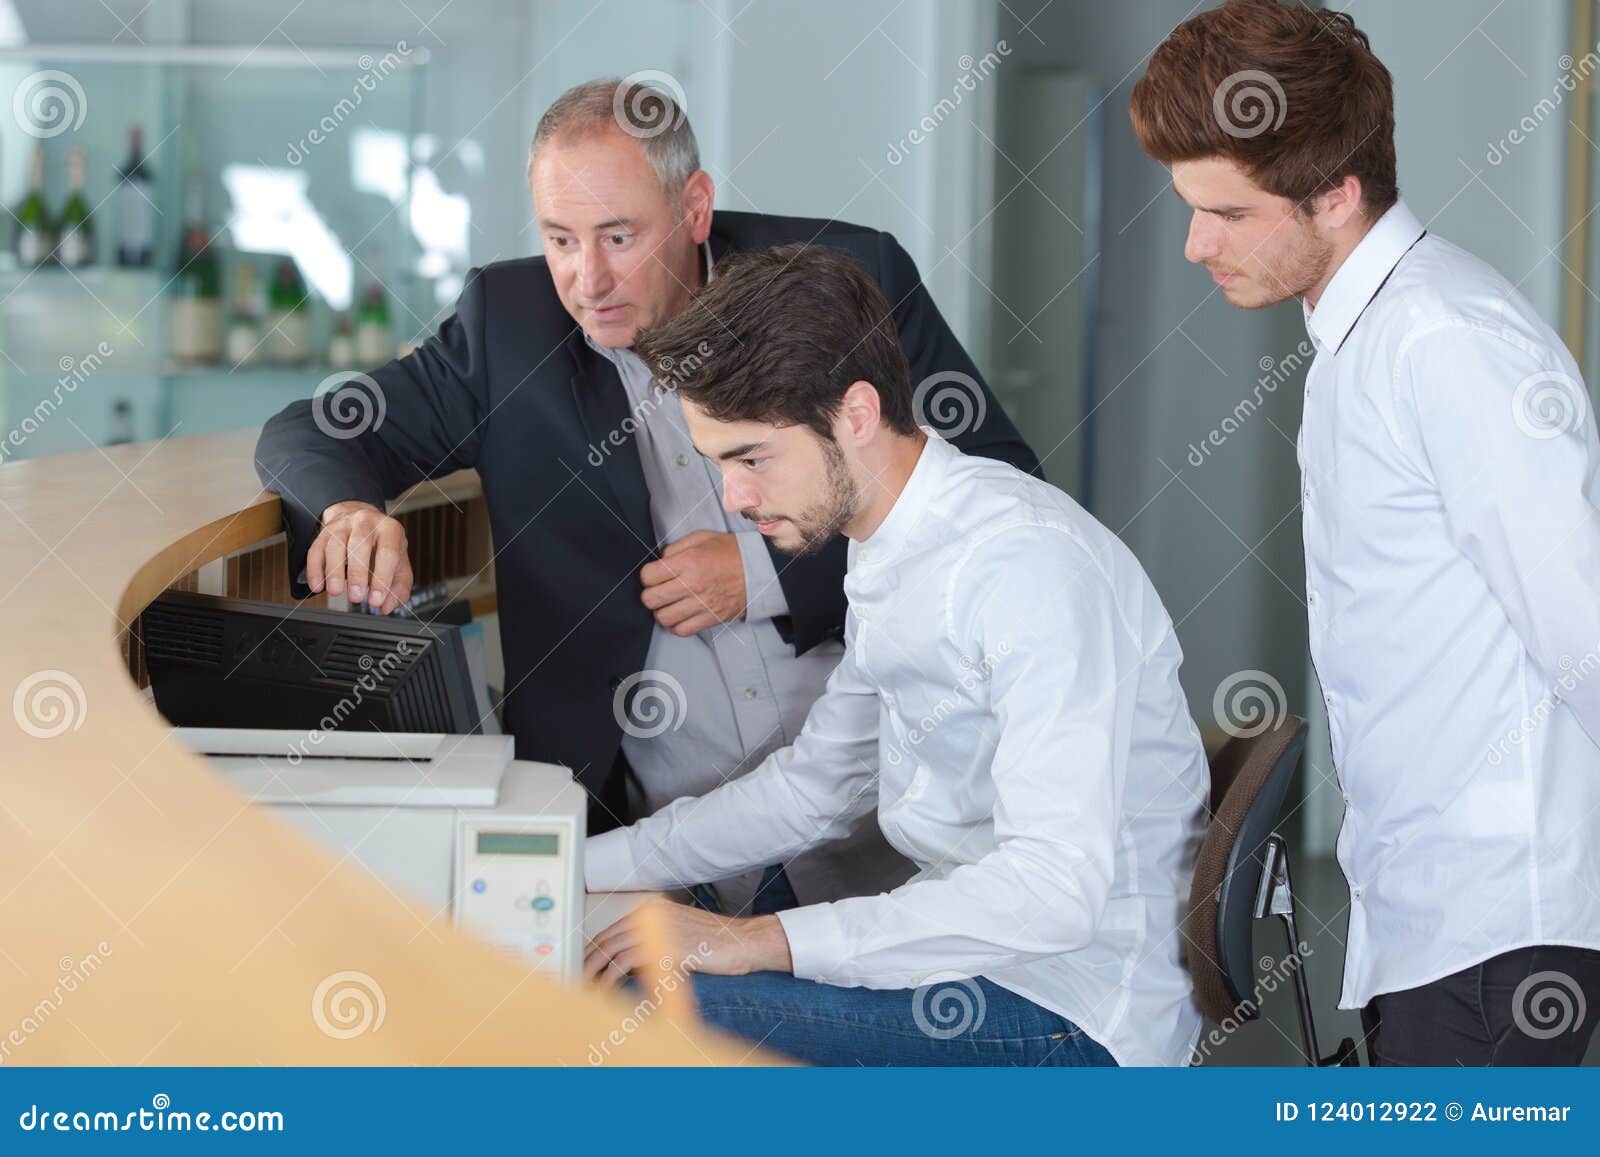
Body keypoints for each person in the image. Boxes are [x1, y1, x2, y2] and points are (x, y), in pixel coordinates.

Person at [253, 77, 1039, 916]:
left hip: (896, 825)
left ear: (694, 208)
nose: (587, 279)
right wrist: (349, 509)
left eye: (618, 236)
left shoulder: (847, 277)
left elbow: (997, 490)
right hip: (658, 849)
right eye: (560, 239)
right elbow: (313, 431)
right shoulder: (507, 325)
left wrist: (763, 572)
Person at [582, 243, 1209, 1067]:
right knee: (639, 928)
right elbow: (816, 787)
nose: (733, 499)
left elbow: (1055, 894)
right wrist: (577, 863)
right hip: (978, 960)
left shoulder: (1024, 565)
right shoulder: (892, 542)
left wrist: (760, 940)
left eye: (750, 458)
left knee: (627, 1000)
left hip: (1071, 1008)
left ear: (856, 414)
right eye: (719, 462)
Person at [1131, 0, 1600, 1064]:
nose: (1195, 243)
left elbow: (1583, 628)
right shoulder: (1366, 331)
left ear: (1335, 195)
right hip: (1429, 910)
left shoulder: (1442, 342)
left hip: (1494, 923)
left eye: (1227, 213)